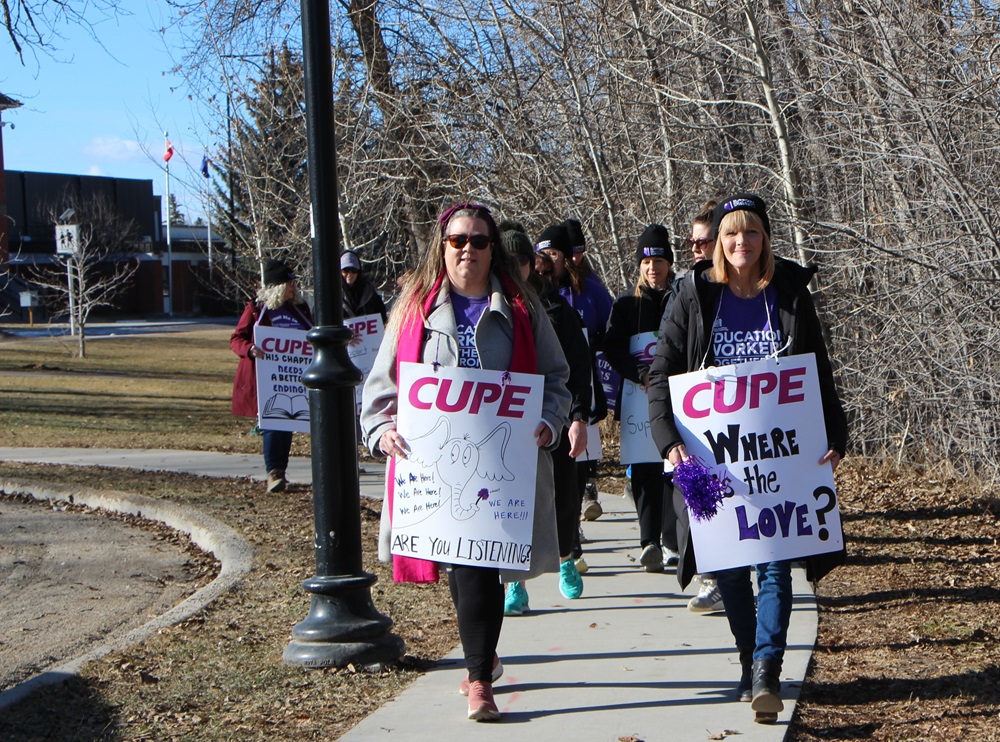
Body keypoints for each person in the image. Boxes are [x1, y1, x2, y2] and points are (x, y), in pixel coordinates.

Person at [360, 203, 571, 723]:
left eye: (479, 241)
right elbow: (383, 384)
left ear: (492, 248)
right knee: (462, 569)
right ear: (443, 244)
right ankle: (485, 656)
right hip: (435, 470)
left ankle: (479, 680)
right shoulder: (414, 307)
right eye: (458, 240)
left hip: (500, 471)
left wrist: (548, 421)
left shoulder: (522, 308)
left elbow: (556, 378)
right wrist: (381, 430)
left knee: (481, 567)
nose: (468, 250)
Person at [647, 194, 848, 724]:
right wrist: (669, 443)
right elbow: (659, 373)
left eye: (751, 233)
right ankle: (747, 659)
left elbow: (817, 371)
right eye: (731, 234)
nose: (741, 243)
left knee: (775, 565)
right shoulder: (694, 294)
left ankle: (766, 671)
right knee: (730, 572)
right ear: (717, 241)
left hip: (778, 460)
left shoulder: (789, 295)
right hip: (711, 462)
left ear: (765, 238)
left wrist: (835, 435)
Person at [501, 223, 592, 607]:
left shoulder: (557, 311)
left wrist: (578, 417)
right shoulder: (491, 308)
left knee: (563, 497)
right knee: (508, 500)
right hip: (505, 422)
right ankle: (513, 584)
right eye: (509, 261)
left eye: (524, 261)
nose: (518, 269)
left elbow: (577, 369)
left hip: (551, 417)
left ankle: (567, 556)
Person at [604, 224, 679, 572]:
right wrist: (639, 373)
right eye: (647, 262)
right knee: (646, 472)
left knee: (672, 469)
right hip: (637, 401)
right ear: (639, 266)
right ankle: (649, 542)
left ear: (668, 263)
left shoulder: (681, 298)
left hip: (676, 398)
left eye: (659, 260)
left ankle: (671, 542)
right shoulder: (625, 306)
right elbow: (612, 348)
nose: (653, 268)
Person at [672, 201, 725, 612]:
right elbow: (667, 360)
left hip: (745, 414)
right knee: (699, 502)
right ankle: (712, 578)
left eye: (701, 241)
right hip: (699, 414)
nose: (694, 248)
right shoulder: (686, 290)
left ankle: (752, 575)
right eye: (691, 241)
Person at [230, 259, 313, 493]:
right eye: (288, 284)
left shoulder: (301, 309)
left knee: (292, 420)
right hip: (268, 377)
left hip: (296, 375)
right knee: (277, 421)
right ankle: (275, 473)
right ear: (277, 286)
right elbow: (236, 338)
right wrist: (249, 349)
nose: (293, 288)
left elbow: (312, 333)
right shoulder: (257, 309)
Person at [562, 218, 614, 521]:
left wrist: (595, 340)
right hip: (559, 374)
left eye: (580, 251)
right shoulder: (553, 286)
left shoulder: (592, 288)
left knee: (587, 430)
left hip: (588, 373)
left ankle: (589, 486)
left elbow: (610, 328)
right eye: (570, 252)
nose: (575, 258)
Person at [341, 250, 388, 322]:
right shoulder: (332, 294)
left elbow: (382, 318)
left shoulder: (368, 292)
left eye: (354, 270)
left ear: (359, 271)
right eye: (345, 270)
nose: (350, 274)